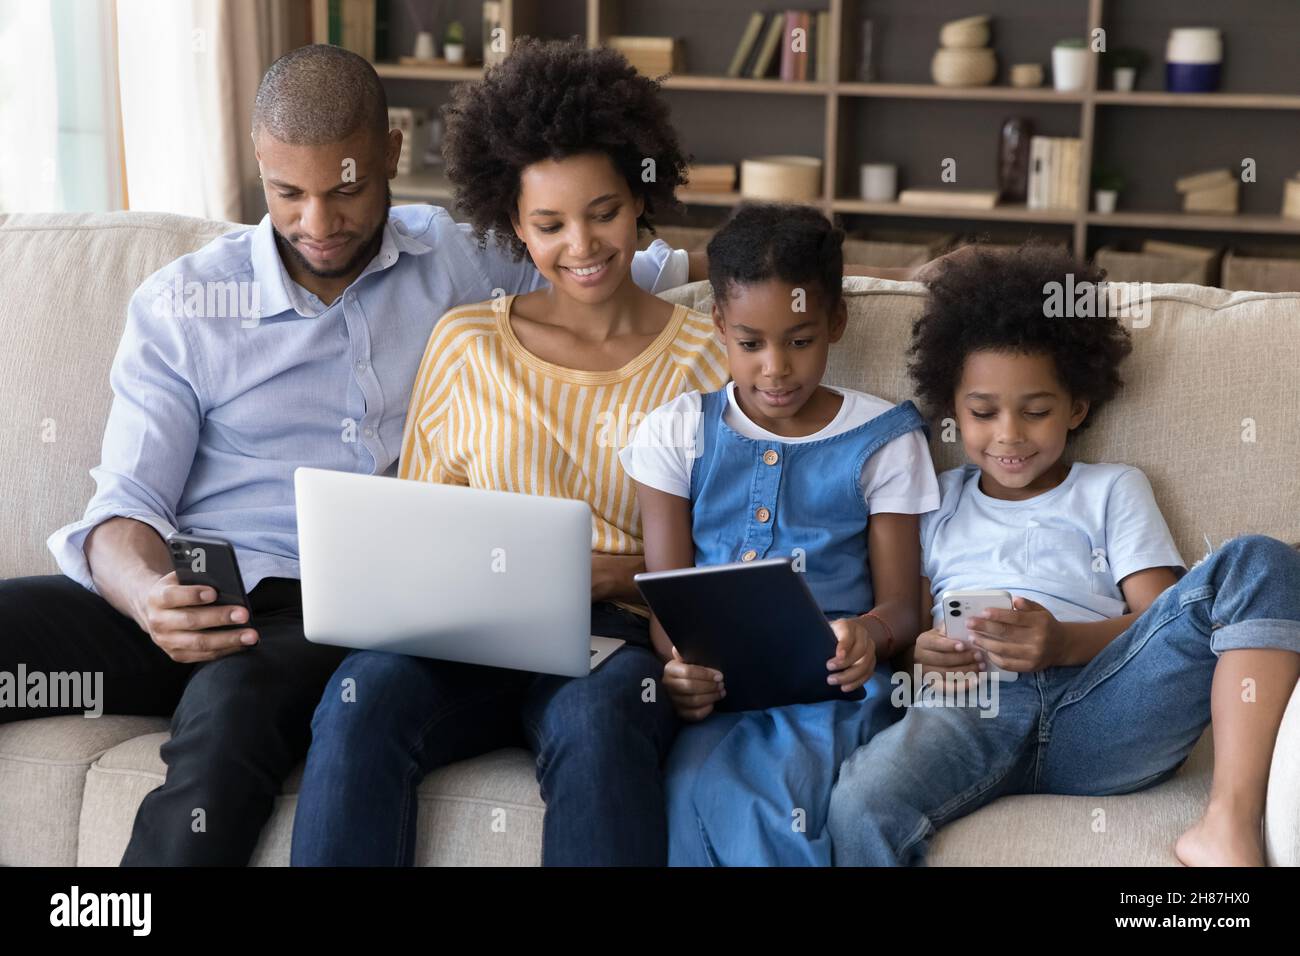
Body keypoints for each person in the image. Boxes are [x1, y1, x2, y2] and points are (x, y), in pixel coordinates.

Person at [0, 43, 700, 866]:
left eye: (347, 188)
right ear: (258, 165)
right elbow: (123, 504)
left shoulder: (462, 254)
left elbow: (602, 248)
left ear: (392, 154)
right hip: (184, 590)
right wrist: (151, 595)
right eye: (288, 193)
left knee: (230, 724)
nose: (318, 224)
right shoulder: (186, 302)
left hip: (326, 615)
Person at [826, 245, 1300, 867]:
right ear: (952, 411)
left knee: (1264, 561)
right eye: (983, 412)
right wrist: (921, 652)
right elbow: (907, 625)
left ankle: (1227, 824)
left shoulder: (1113, 488)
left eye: (1037, 411)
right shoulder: (936, 498)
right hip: (970, 707)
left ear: (1076, 407)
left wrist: (1063, 644)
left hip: (1102, 709)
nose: (1009, 435)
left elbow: (1165, 623)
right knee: (857, 803)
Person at [621, 202, 938, 865]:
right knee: (683, 794)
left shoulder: (882, 439)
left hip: (834, 687)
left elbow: (904, 606)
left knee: (772, 800)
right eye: (750, 343)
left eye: (800, 340)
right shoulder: (675, 432)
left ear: (836, 323)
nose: (776, 369)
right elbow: (667, 598)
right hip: (722, 694)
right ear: (718, 326)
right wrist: (679, 664)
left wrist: (871, 637)